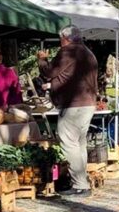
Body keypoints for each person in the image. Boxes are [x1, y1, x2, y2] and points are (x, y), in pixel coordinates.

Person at [37, 26, 99, 198]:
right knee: (79, 143)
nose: (60, 42)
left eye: (60, 39)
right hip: (87, 103)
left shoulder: (68, 52)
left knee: (68, 142)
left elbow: (50, 72)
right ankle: (80, 183)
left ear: (65, 38)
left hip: (74, 105)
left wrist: (42, 60)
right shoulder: (88, 53)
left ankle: (80, 184)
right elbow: (68, 77)